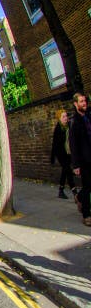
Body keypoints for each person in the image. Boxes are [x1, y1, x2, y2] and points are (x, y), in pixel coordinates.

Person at [68, 93, 91, 226]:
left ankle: (79, 197)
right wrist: (75, 165)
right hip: (84, 160)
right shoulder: (74, 122)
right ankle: (86, 215)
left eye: (85, 101)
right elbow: (73, 145)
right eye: (81, 101)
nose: (84, 103)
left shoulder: (88, 116)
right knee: (88, 186)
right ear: (76, 104)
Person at [51, 109, 74, 199]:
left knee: (65, 171)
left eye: (66, 116)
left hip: (68, 152)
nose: (65, 118)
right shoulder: (58, 129)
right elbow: (54, 144)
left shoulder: (69, 127)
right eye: (63, 117)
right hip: (60, 153)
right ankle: (74, 192)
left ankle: (61, 190)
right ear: (59, 118)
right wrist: (52, 157)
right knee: (67, 169)